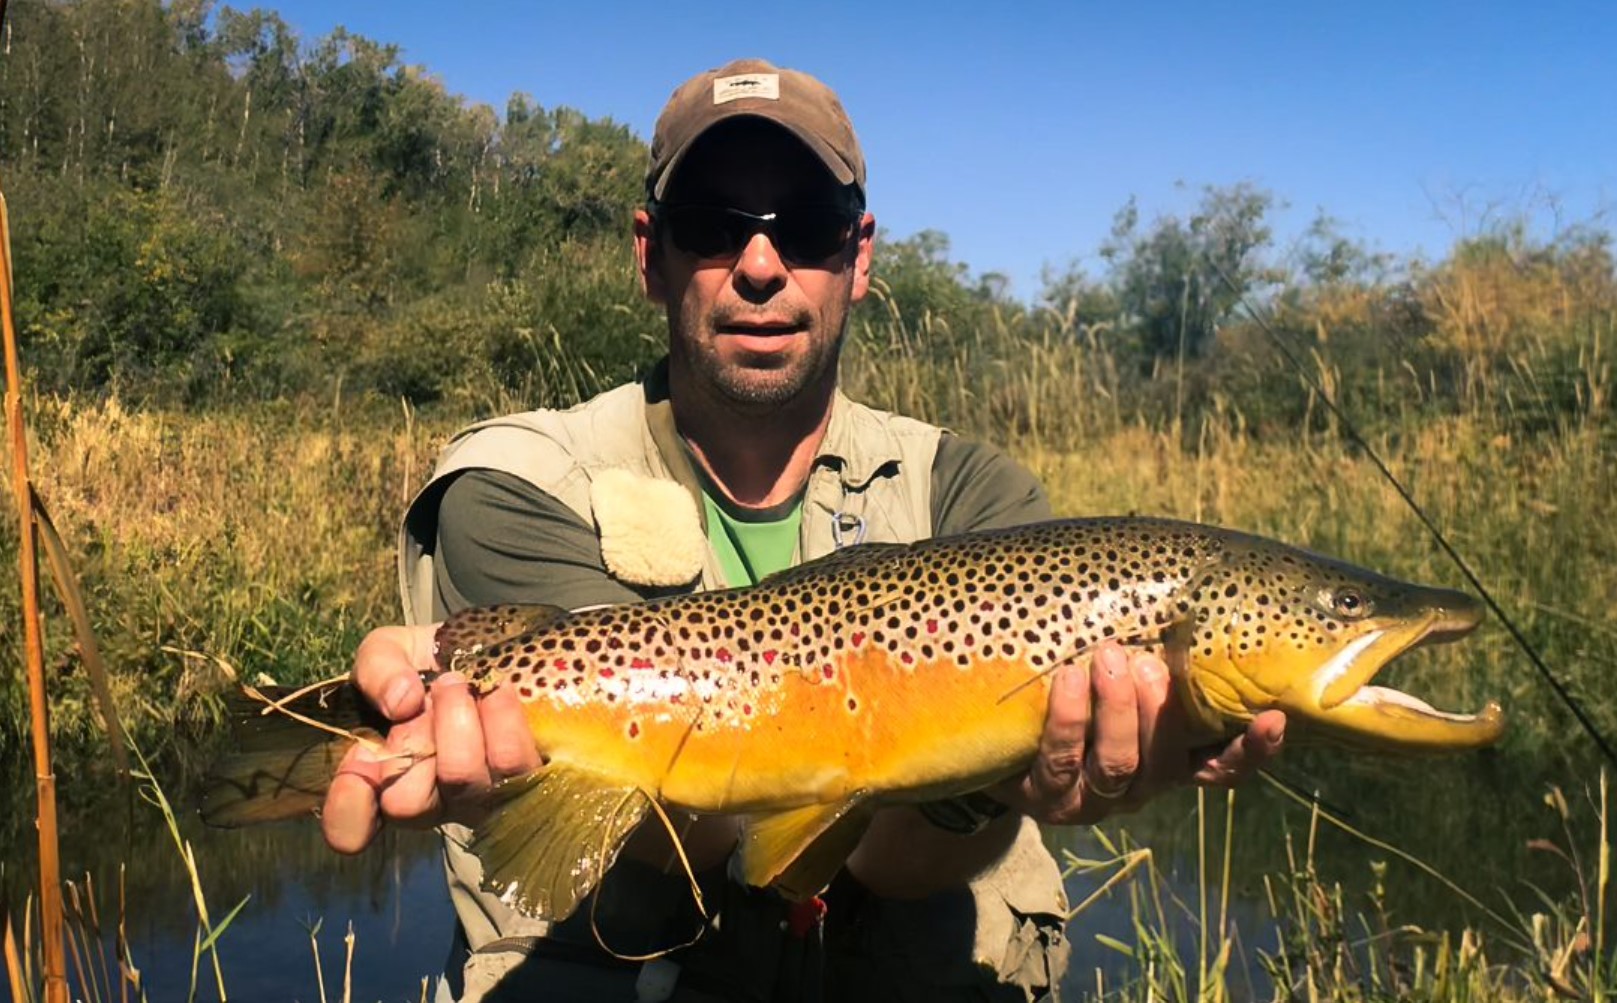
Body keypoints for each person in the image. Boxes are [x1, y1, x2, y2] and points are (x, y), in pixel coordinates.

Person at [320, 58, 1286, 1002]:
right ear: (649, 254)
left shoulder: (973, 501)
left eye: (807, 228)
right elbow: (688, 827)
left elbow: (895, 864)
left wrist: (1003, 779)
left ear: (857, 257)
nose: (759, 265)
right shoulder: (517, 483)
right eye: (712, 225)